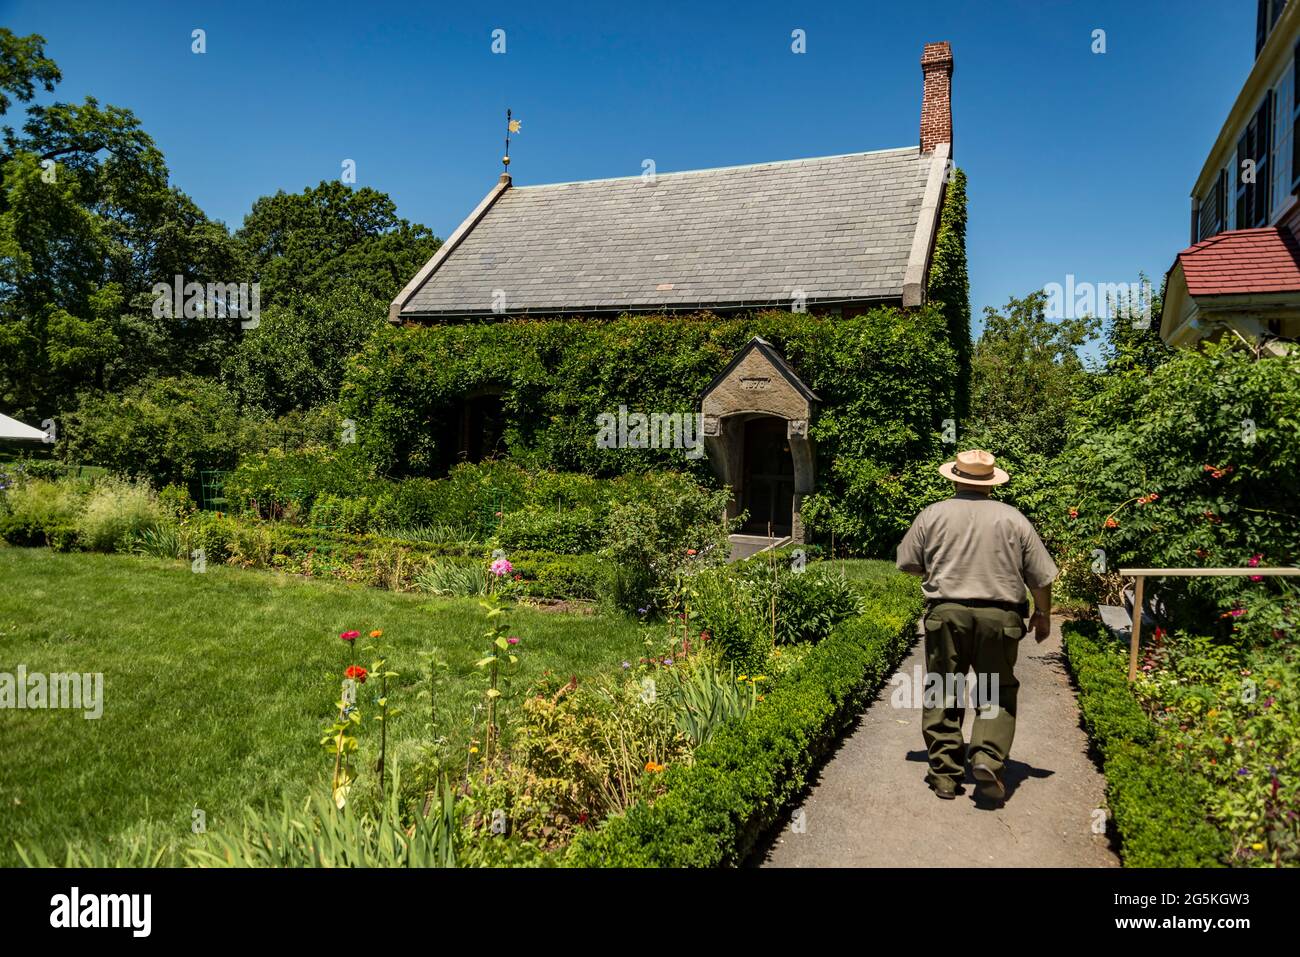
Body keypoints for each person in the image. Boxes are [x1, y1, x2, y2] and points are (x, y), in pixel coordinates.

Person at [895, 449, 1058, 804]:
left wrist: (938, 570)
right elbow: (1041, 576)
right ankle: (986, 757)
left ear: (955, 477)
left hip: (946, 613)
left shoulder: (932, 515)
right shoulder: (1013, 519)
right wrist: (1043, 614)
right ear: (991, 483)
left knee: (942, 688)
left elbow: (907, 563)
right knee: (995, 692)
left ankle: (944, 775)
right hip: (1001, 618)